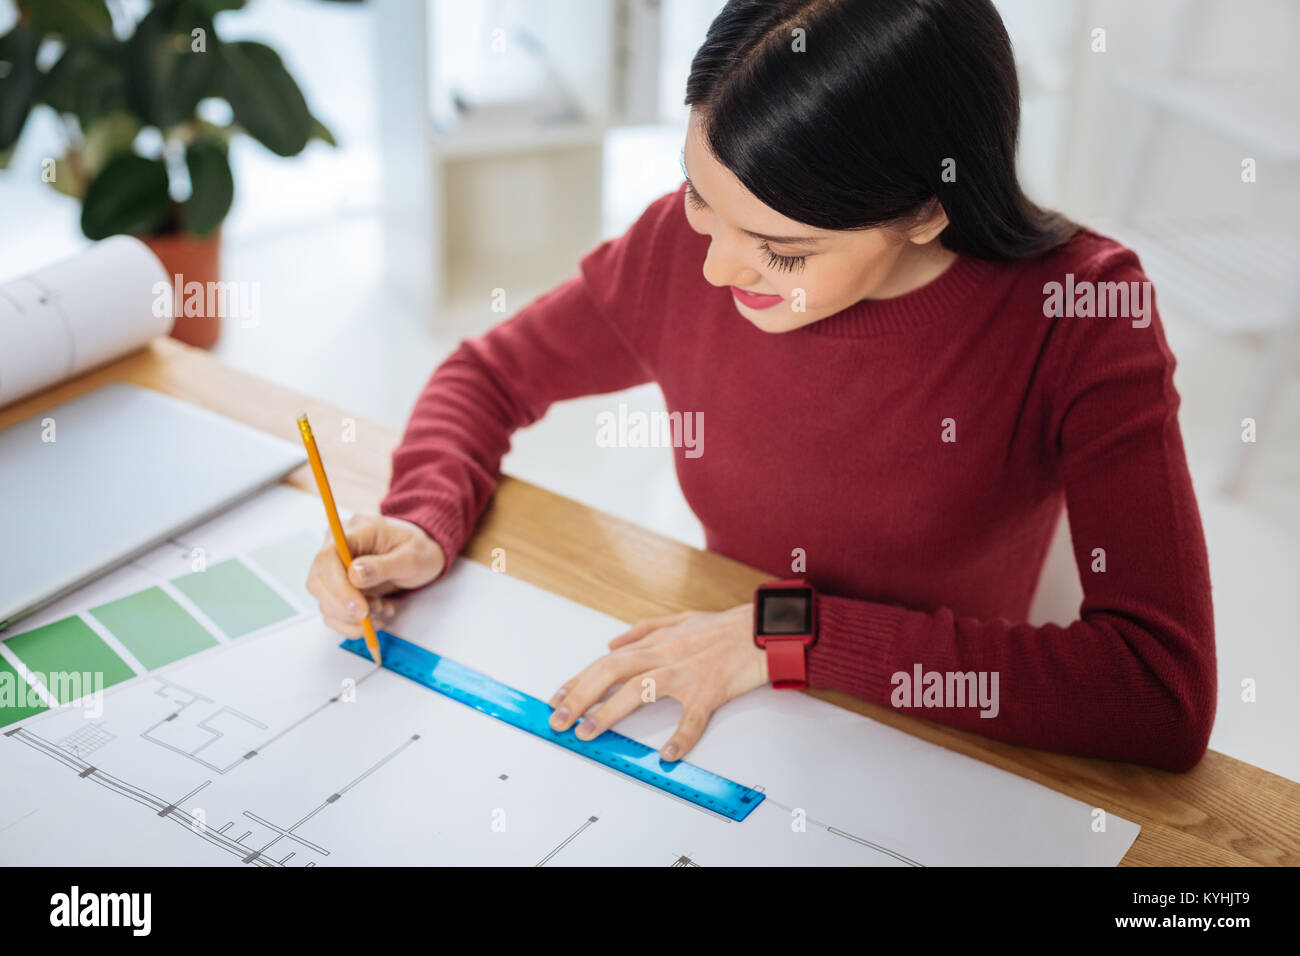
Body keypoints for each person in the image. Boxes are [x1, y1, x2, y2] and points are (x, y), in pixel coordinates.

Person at [307, 0, 1215, 772]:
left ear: (929, 208)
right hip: (746, 715)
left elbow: (1157, 690)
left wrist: (787, 633)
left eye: (782, 248)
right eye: (700, 195)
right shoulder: (681, 246)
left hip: (933, 739)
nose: (714, 269)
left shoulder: (1083, 310)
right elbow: (488, 372)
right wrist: (426, 518)